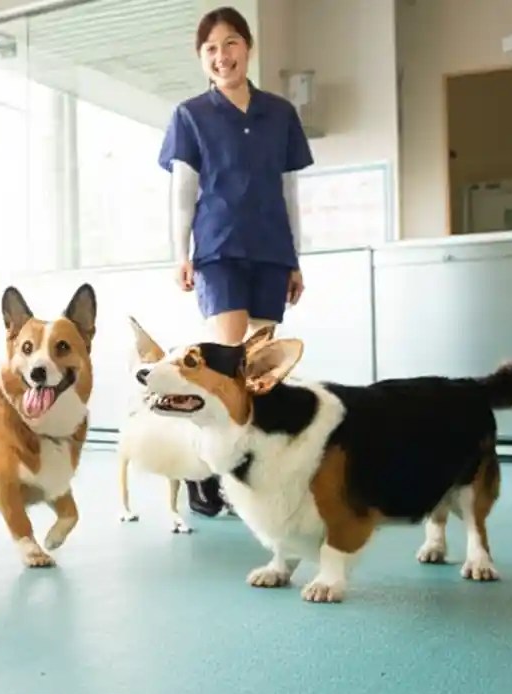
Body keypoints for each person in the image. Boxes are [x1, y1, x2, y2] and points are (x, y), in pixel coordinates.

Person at [157, 6, 314, 517]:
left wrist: (295, 259)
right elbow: (184, 191)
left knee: (262, 373)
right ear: (201, 59)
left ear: (247, 47)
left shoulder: (280, 113)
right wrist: (180, 254)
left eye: (230, 44)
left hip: (270, 250)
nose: (221, 56)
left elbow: (290, 191)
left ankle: (255, 469)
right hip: (218, 248)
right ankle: (205, 474)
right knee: (227, 364)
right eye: (210, 49)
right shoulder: (190, 115)